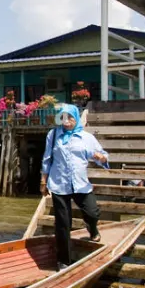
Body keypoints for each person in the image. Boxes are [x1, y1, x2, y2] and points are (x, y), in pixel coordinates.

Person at [40, 104, 109, 270]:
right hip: (59, 183)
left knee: (92, 213)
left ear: (76, 118)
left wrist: (102, 158)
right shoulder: (54, 134)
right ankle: (64, 261)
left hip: (80, 183)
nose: (66, 121)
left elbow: (103, 156)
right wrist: (43, 181)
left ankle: (91, 228)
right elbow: (47, 159)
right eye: (63, 118)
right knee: (63, 224)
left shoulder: (86, 138)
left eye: (70, 118)